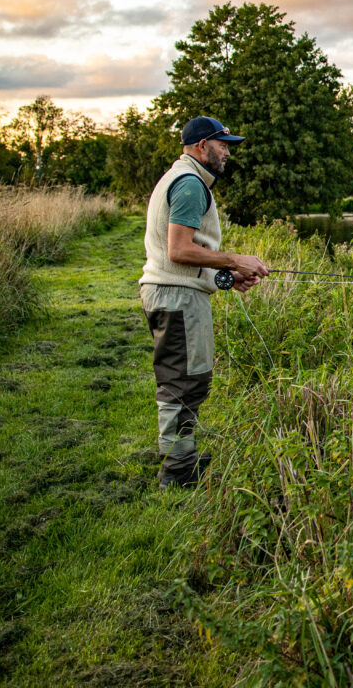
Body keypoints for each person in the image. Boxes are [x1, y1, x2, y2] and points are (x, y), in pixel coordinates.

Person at [140, 115, 269, 488]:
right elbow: (179, 249)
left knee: (187, 379)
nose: (228, 152)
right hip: (176, 298)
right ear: (202, 146)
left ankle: (181, 457)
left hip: (176, 292)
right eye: (223, 145)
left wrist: (227, 278)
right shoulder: (190, 185)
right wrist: (234, 259)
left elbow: (184, 256)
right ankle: (177, 475)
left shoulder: (185, 179)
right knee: (183, 383)